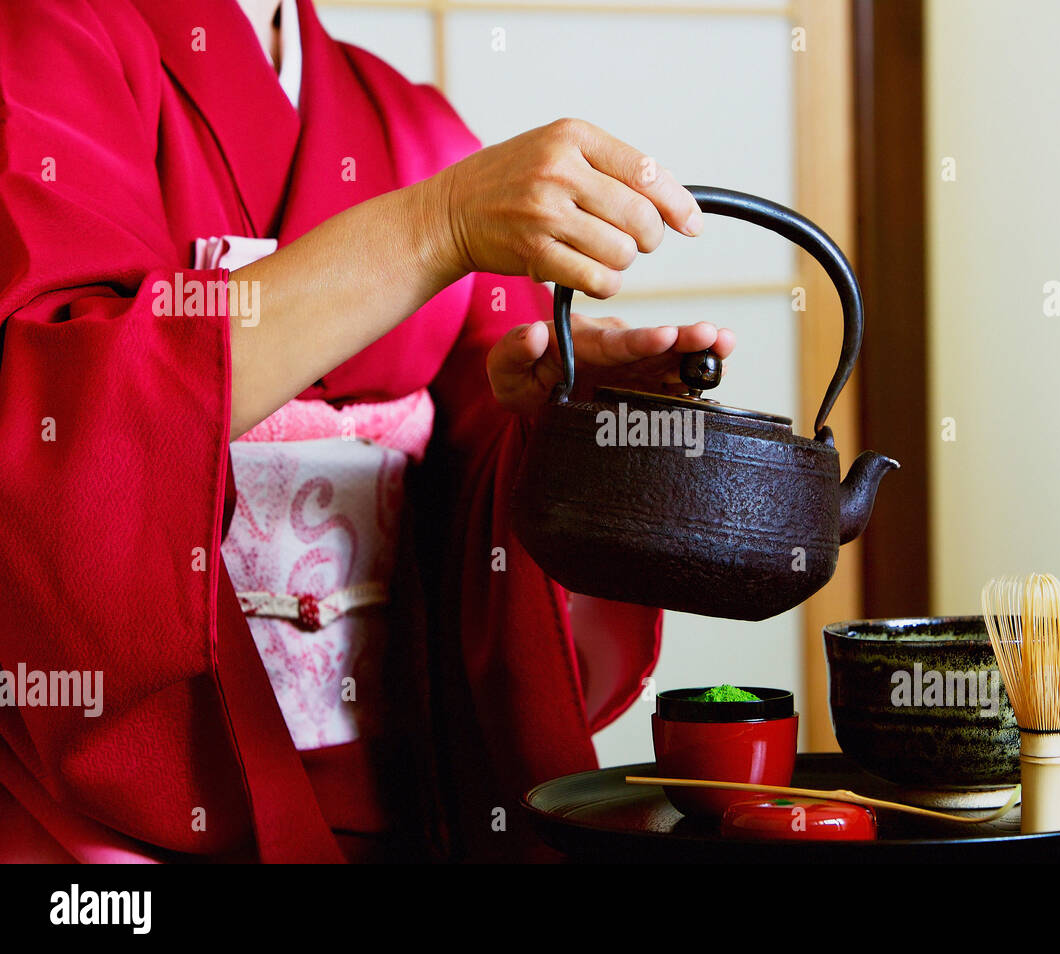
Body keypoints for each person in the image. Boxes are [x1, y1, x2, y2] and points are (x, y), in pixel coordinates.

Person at [0, 0, 735, 862]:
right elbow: (57, 408)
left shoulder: (408, 118)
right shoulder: (45, 33)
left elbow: (481, 436)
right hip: (154, 781)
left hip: (406, 776)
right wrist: (435, 227)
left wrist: (557, 417)